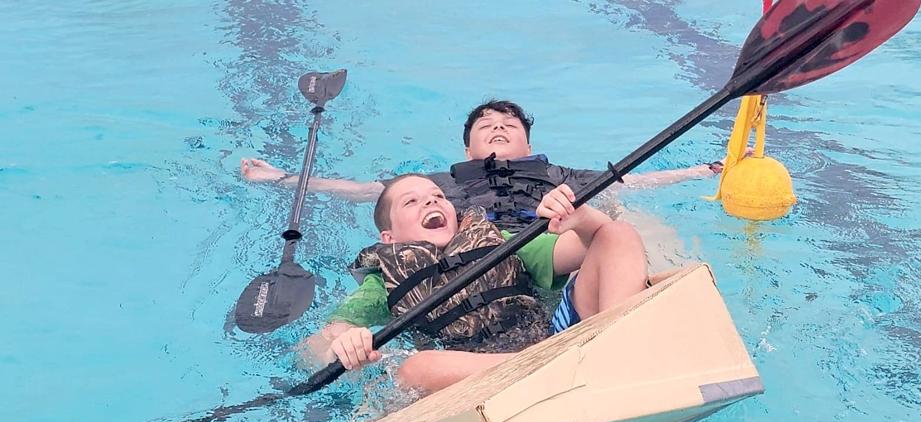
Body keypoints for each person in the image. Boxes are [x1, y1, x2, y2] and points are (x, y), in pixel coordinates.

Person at [301, 174, 647, 393]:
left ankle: (617, 352)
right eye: (411, 201)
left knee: (617, 232)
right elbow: (322, 338)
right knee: (415, 369)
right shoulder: (384, 282)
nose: (431, 201)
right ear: (388, 237)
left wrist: (580, 218)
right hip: (481, 376)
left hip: (554, 339)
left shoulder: (499, 241)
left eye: (438, 196)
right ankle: (559, 367)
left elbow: (587, 246)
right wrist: (342, 344)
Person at [241, 100, 724, 232]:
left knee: (624, 214)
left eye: (508, 125)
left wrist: (701, 171)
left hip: (548, 241)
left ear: (528, 143)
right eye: (486, 125)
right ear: (468, 148)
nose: (498, 128)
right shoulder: (438, 183)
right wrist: (282, 178)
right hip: (474, 251)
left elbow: (629, 180)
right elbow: (366, 191)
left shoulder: (559, 175)